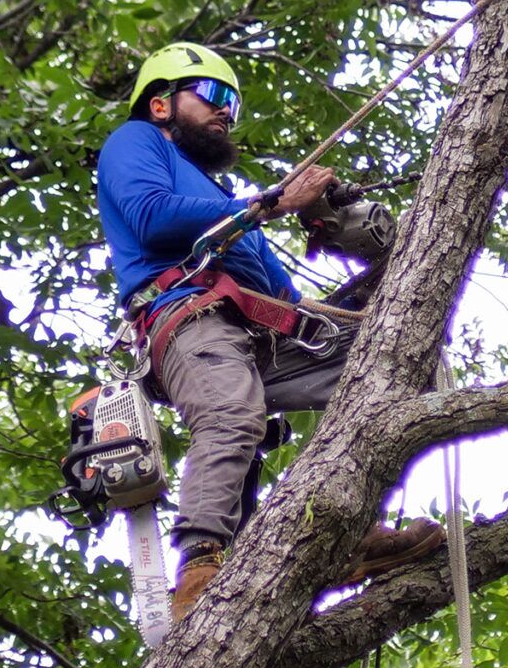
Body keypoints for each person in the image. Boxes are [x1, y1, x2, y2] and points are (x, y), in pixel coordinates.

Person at [97, 42, 443, 621]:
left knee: (405, 354)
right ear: (161, 105)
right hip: (191, 322)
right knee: (232, 416)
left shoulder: (215, 196)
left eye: (232, 101)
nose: (225, 110)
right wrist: (271, 202)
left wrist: (343, 240)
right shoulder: (136, 143)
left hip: (263, 334)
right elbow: (151, 215)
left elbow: (282, 298)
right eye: (212, 95)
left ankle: (345, 529)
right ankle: (201, 568)